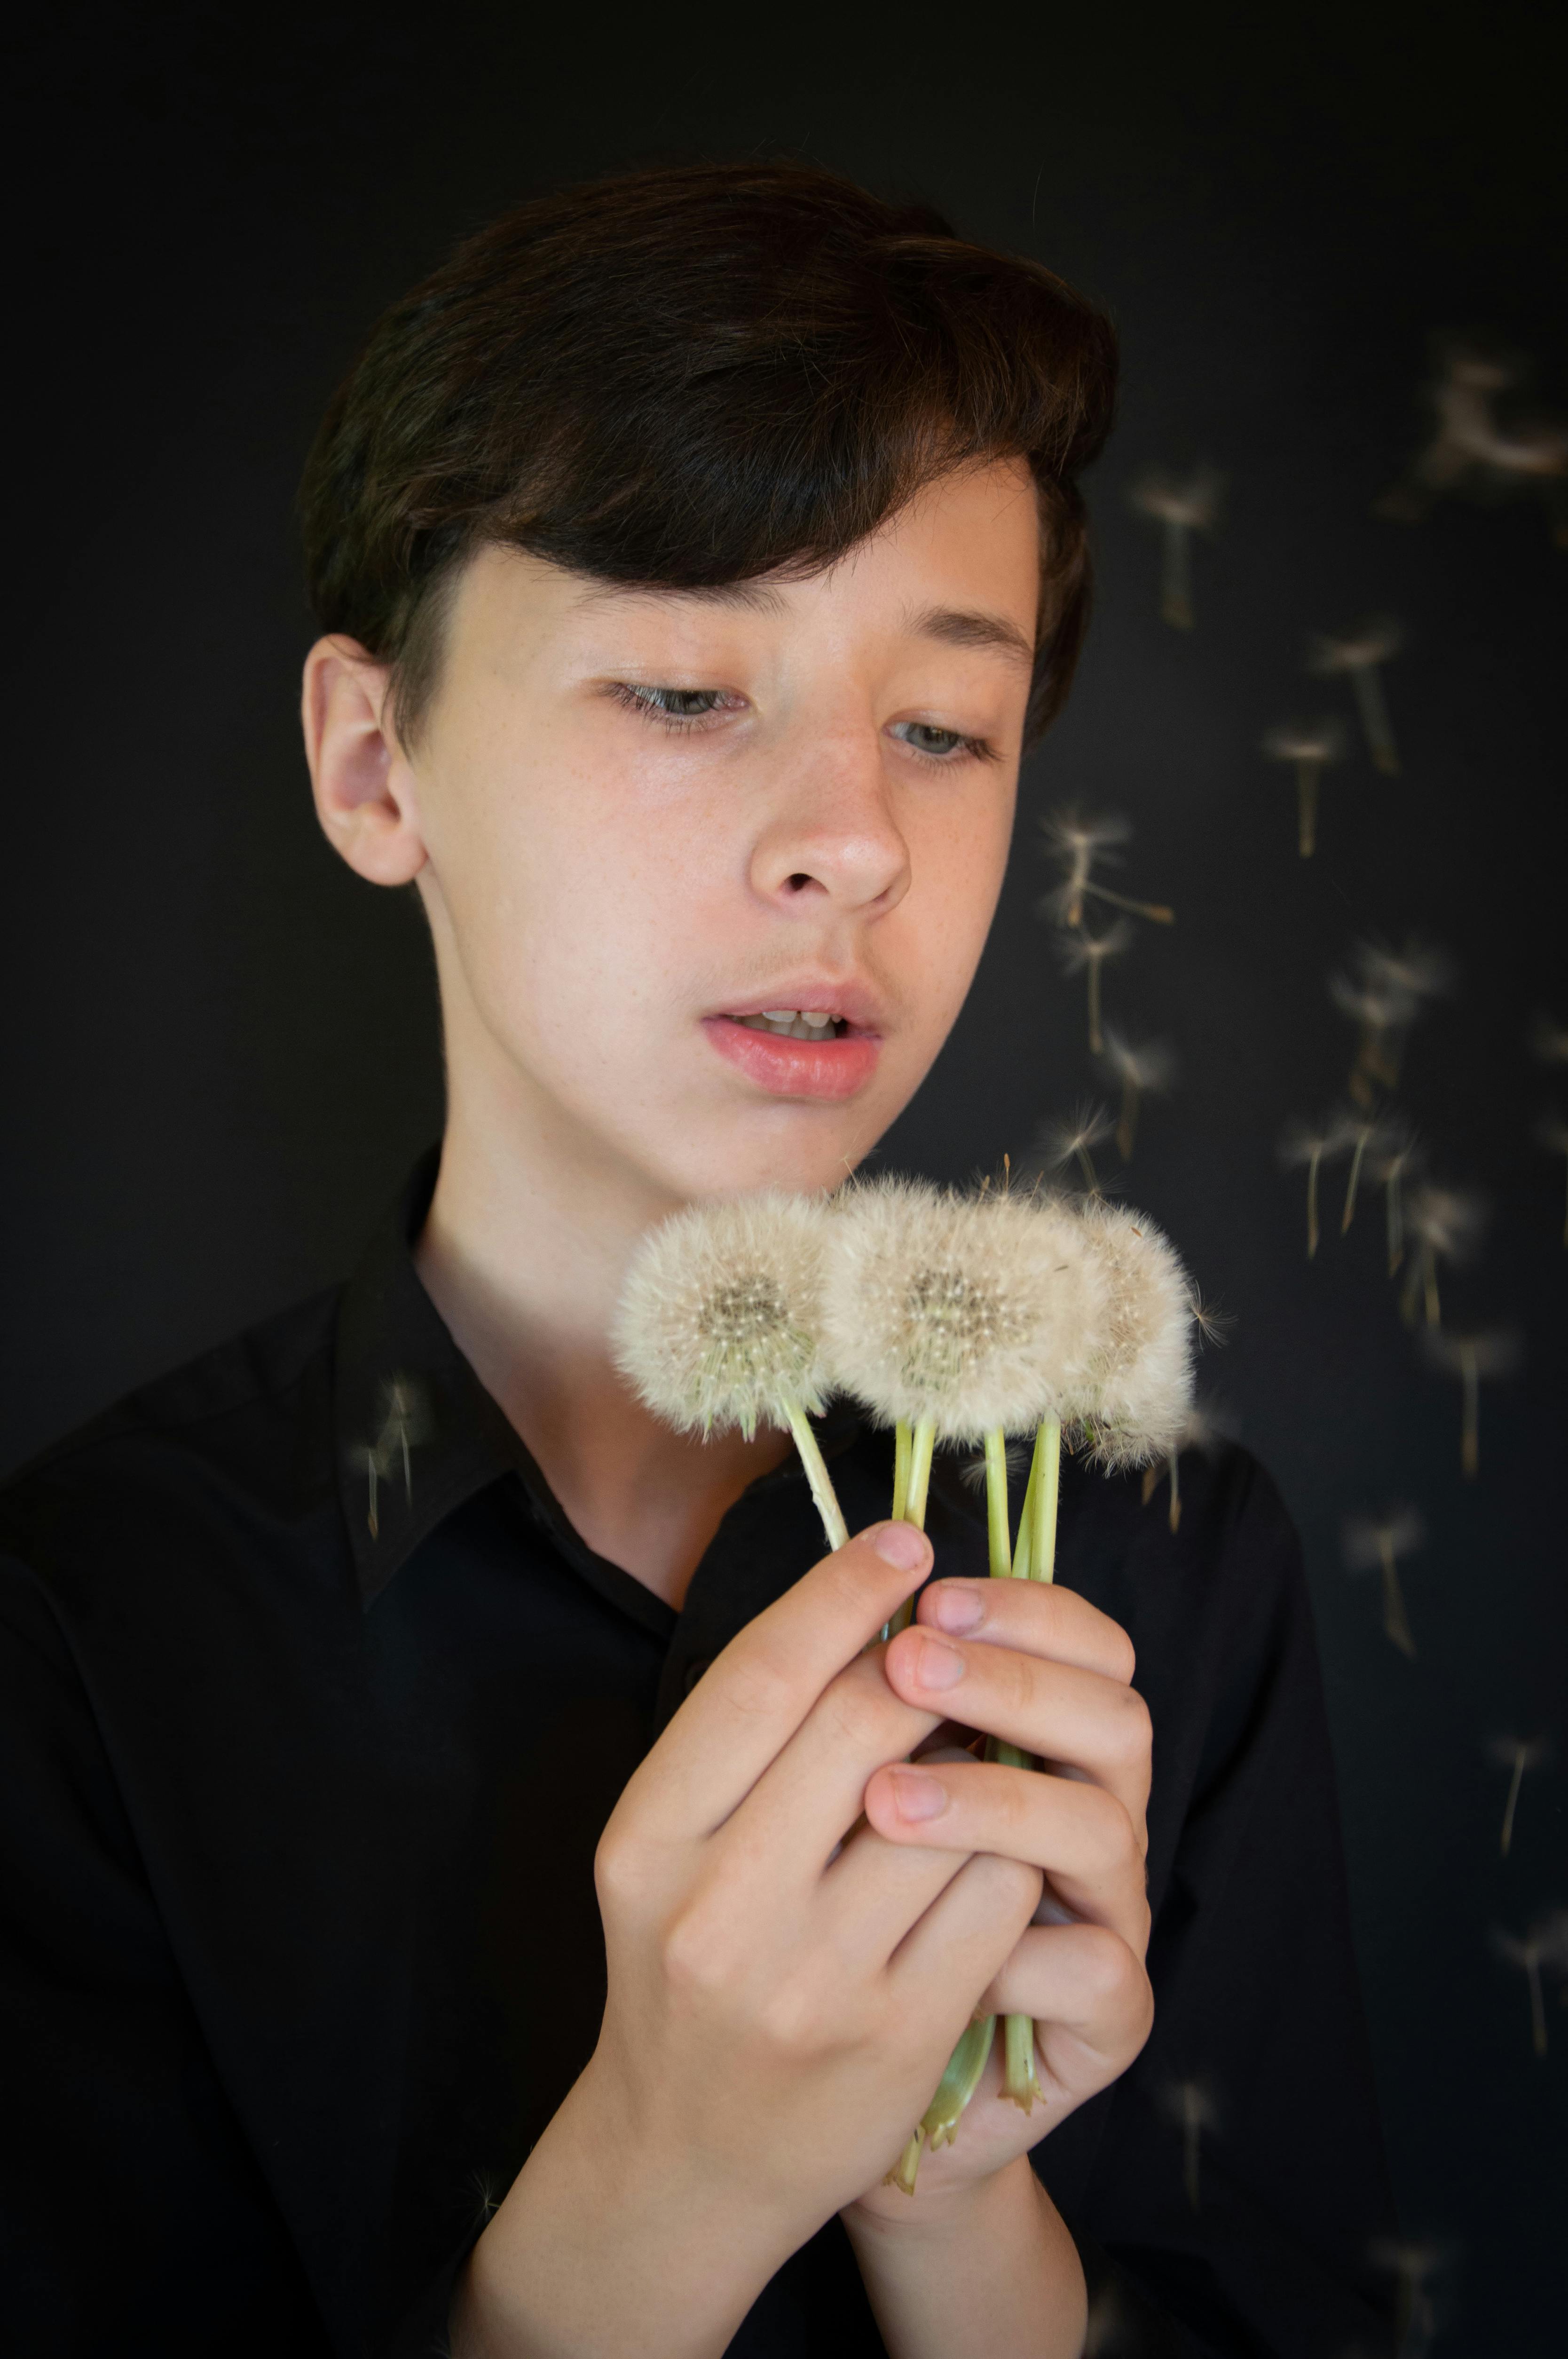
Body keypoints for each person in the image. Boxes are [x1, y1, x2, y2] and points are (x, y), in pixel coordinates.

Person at [0, 162, 1396, 2358]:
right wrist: (667, 2191)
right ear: (378, 765)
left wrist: (957, 2202)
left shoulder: (1168, 1562)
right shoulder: (74, 1638)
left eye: (945, 728)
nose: (854, 834)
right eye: (681, 690)